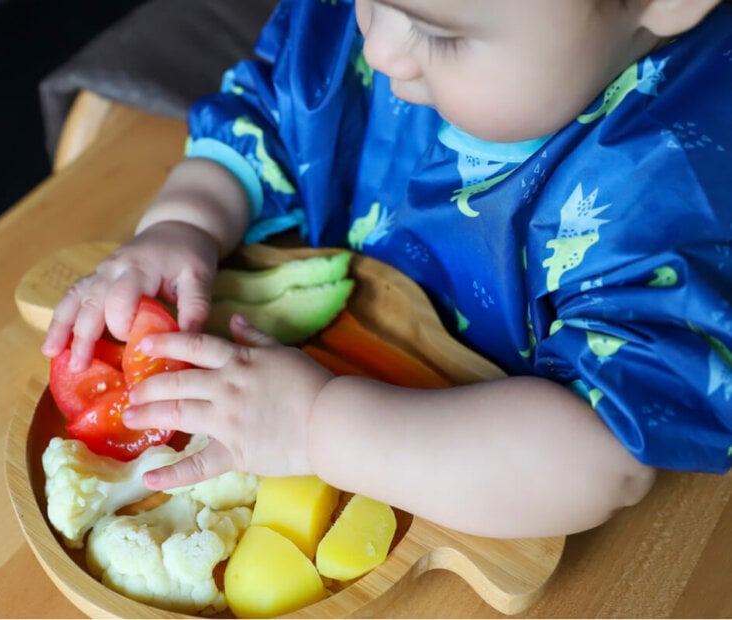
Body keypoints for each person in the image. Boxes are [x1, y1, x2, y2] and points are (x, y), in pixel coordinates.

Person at [41, 0, 732, 538]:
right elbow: (265, 119)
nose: (379, 48)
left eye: (443, 32)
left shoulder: (676, 193)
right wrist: (183, 223)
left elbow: (604, 462)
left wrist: (318, 427)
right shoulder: (383, 25)